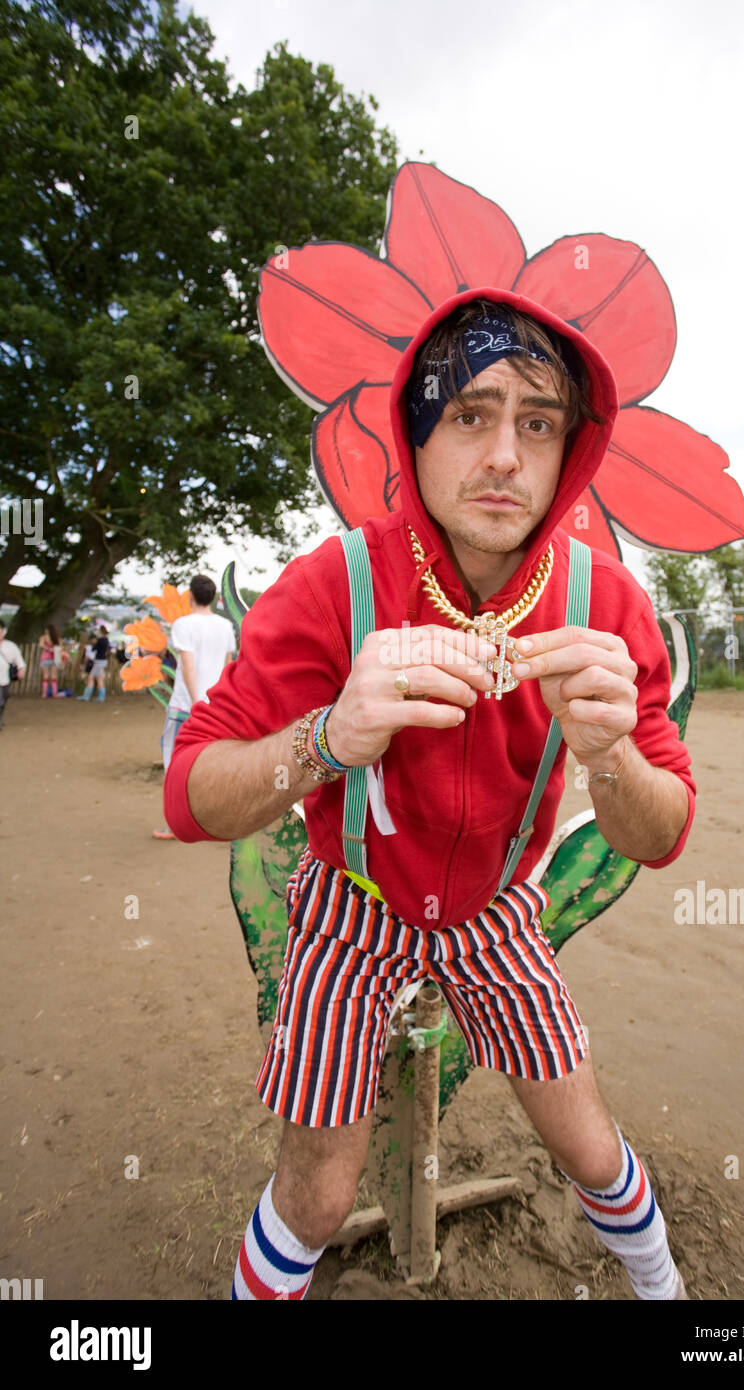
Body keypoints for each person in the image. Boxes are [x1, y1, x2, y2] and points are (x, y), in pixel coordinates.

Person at [163, 290, 697, 1302]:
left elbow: (661, 831)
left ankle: (669, 1297)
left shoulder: (605, 606)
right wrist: (329, 737)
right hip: (349, 906)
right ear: (416, 435)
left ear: (568, 451)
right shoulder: (334, 585)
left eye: (535, 423)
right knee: (317, 1194)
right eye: (469, 414)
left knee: (588, 1148)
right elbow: (192, 797)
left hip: (497, 909)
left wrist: (611, 755)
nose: (503, 456)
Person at [152, 576, 236, 839]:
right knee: (215, 764)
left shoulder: (182, 624)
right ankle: (217, 822)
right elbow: (227, 666)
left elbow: (187, 666)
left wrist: (196, 700)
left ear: (190, 597)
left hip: (185, 706)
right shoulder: (225, 626)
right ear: (212, 598)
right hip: (216, 706)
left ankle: (177, 825)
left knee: (174, 764)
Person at [0, 620, 27, 730]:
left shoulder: (11, 646)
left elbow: (19, 660)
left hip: (5, 679)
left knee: (4, 699)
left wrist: (21, 669)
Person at [78, 624, 112, 702]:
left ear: (100, 631)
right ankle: (100, 697)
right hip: (103, 661)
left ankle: (87, 696)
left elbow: (94, 649)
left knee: (92, 677)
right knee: (98, 678)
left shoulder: (100, 640)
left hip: (98, 661)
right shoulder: (106, 640)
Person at [38, 624, 62, 698]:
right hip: (54, 658)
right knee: (53, 676)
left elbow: (41, 645)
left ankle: (44, 693)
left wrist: (47, 648)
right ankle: (54, 693)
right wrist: (52, 649)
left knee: (46, 676)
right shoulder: (57, 638)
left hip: (45, 658)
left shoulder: (43, 638)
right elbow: (60, 647)